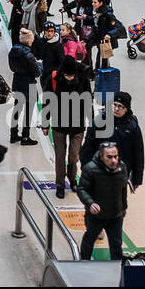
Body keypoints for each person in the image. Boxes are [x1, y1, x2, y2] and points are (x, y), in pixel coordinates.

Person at [42, 58, 93, 198]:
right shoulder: (54, 79)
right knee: (60, 156)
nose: (69, 78)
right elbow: (47, 101)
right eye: (67, 75)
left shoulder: (83, 78)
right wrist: (45, 123)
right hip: (59, 123)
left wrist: (92, 122)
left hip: (78, 123)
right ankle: (60, 184)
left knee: (74, 156)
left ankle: (72, 179)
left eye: (72, 75)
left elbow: (89, 100)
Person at [81, 91, 145, 191]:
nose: (116, 108)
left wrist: (137, 178)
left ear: (127, 109)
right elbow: (87, 148)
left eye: (120, 106)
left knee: (117, 203)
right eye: (114, 105)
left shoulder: (132, 127)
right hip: (100, 172)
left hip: (120, 174)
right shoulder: (99, 122)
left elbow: (138, 154)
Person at [76, 142, 128, 261]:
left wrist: (123, 208)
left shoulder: (122, 167)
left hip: (116, 216)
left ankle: (117, 268)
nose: (114, 160)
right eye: (109, 157)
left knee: (116, 244)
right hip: (96, 216)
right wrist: (90, 203)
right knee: (89, 239)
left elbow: (123, 189)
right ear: (101, 156)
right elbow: (82, 189)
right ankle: (84, 263)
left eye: (116, 156)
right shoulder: (90, 169)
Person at [8, 27, 41, 145]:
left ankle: (13, 134)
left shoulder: (13, 51)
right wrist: (39, 65)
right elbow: (37, 73)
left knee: (16, 109)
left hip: (17, 81)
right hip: (29, 84)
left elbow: (11, 67)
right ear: (28, 41)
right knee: (28, 112)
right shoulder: (29, 55)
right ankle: (25, 137)